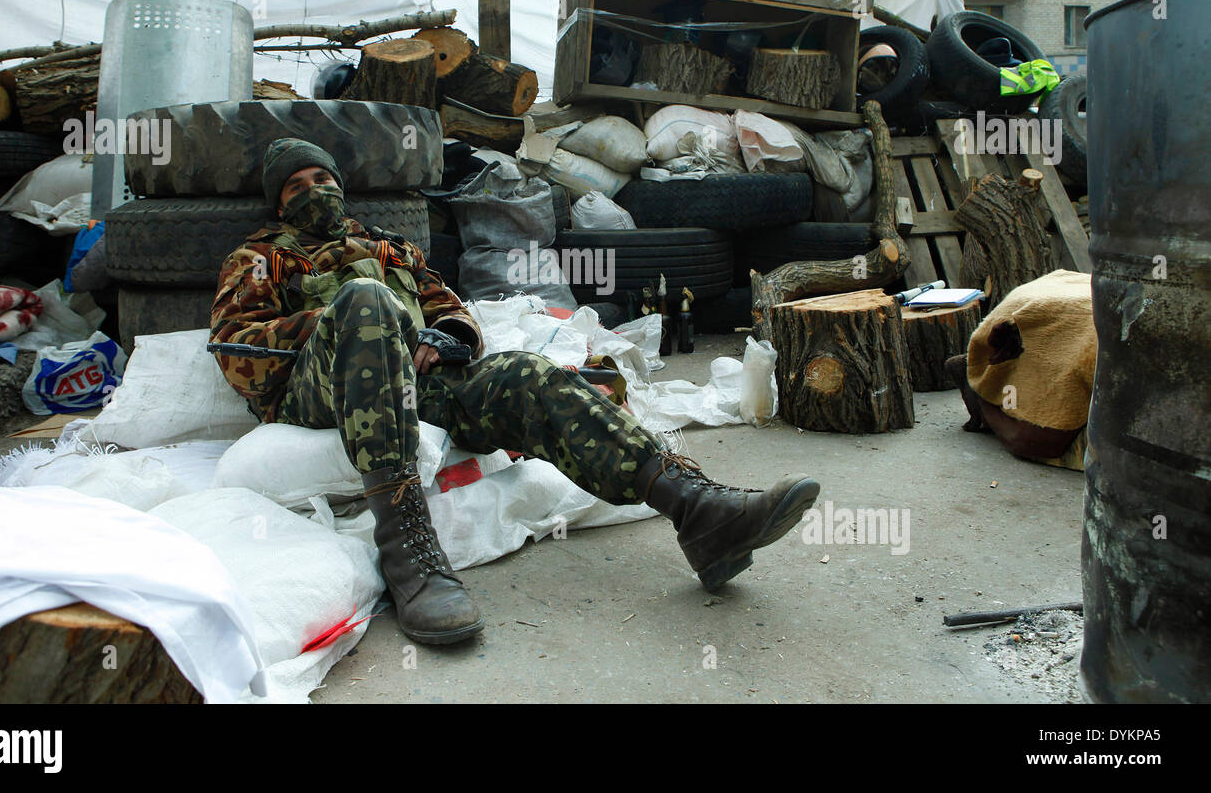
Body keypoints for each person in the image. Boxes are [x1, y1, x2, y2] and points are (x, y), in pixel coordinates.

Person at [211, 138, 820, 645]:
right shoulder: (260, 259)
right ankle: (410, 556)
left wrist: (448, 337)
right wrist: (346, 322)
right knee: (367, 301)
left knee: (528, 375)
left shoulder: (389, 249)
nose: (314, 190)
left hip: (419, 380)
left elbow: (452, 311)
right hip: (322, 389)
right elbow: (239, 352)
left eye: (322, 178)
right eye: (296, 186)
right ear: (279, 204)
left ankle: (699, 511)